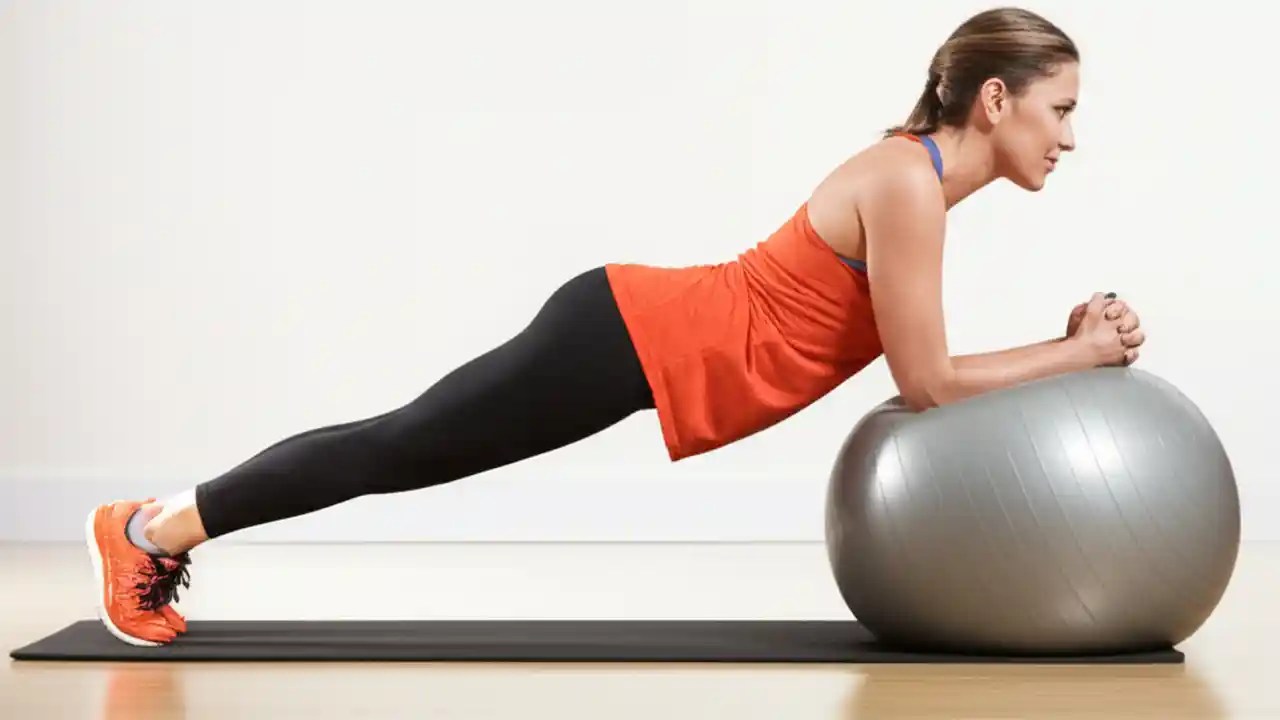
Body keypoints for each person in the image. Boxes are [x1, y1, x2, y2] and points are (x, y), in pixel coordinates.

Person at [87, 6, 1145, 646]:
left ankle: (156, 525)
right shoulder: (907, 186)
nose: (1067, 138)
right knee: (399, 447)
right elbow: (925, 387)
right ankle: (147, 531)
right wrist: (1079, 352)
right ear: (996, 100)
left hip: (636, 328)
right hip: (632, 332)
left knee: (402, 445)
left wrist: (1066, 345)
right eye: (1060, 111)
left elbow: (922, 369)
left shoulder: (915, 183)